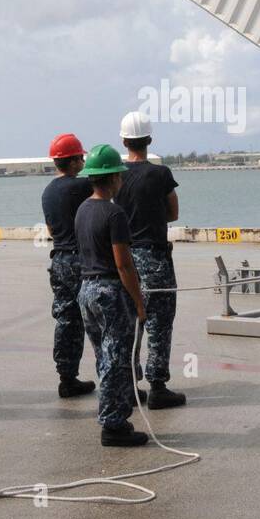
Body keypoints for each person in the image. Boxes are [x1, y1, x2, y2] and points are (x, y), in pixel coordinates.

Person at [75, 144, 149, 447]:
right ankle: (113, 424)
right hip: (109, 292)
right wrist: (139, 303)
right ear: (114, 178)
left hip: (86, 291)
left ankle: (113, 415)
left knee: (103, 357)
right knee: (116, 361)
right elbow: (123, 263)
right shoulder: (114, 213)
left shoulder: (83, 209)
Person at [114, 110, 186, 409]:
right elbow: (173, 213)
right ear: (149, 140)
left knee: (130, 320)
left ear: (123, 140)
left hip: (125, 255)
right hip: (155, 256)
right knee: (160, 320)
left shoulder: (115, 174)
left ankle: (130, 384)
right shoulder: (160, 174)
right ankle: (158, 386)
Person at [41, 132, 103, 398]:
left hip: (60, 260)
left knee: (66, 319)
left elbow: (51, 229)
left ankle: (67, 378)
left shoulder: (48, 191)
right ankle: (114, 375)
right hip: (82, 259)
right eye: (81, 157)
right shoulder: (79, 187)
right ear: (74, 160)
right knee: (100, 318)